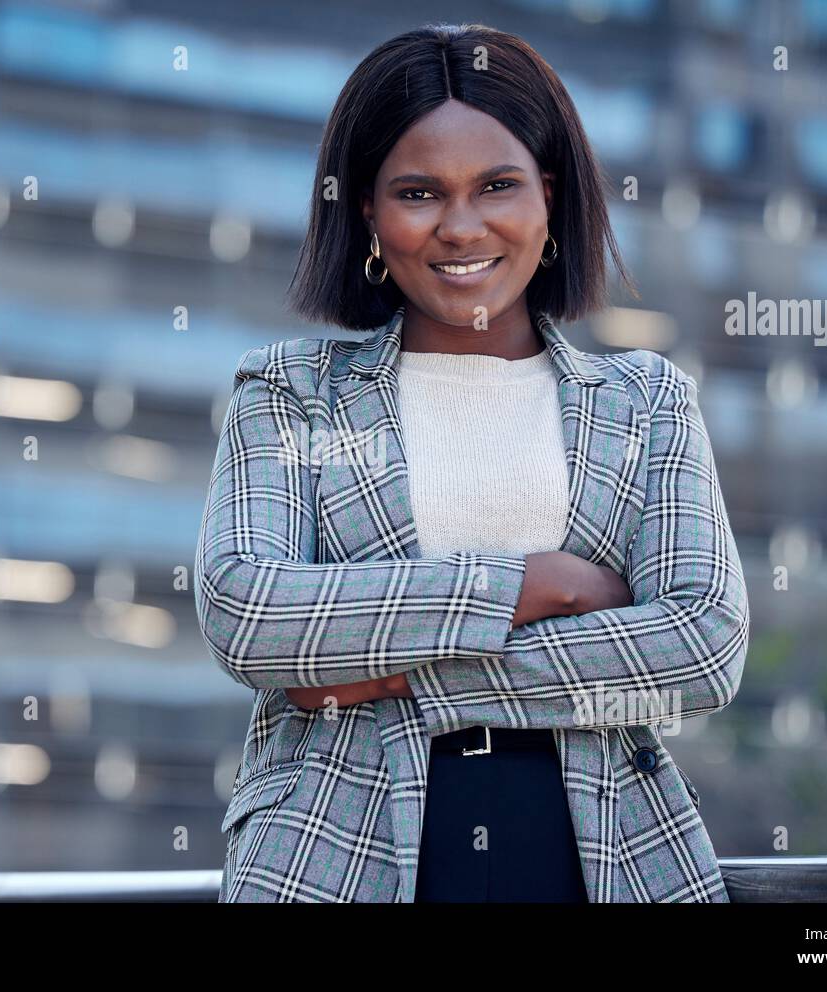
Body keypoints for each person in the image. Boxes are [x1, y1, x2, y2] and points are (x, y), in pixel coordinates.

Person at [194, 21, 749, 903]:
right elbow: (247, 611)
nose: (462, 227)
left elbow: (700, 647)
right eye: (418, 193)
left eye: (498, 185)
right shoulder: (289, 392)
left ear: (548, 200)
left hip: (606, 860)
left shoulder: (648, 402)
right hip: (332, 860)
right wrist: (537, 587)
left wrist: (375, 673)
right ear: (368, 212)